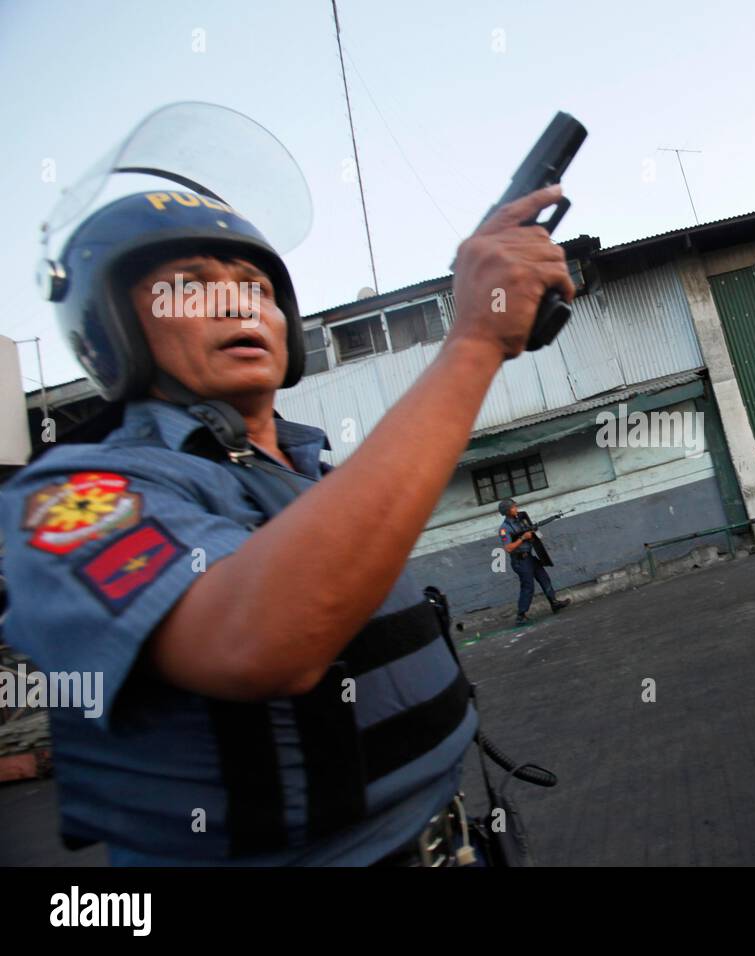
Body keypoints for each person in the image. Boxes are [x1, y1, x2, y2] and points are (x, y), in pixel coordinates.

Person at [1, 171, 574, 864]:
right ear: (112, 331)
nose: (237, 303)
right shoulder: (69, 499)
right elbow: (259, 638)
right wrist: (476, 340)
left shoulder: (311, 478)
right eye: (189, 284)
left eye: (258, 288)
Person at [497, 498, 570, 626]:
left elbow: (529, 531)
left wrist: (534, 532)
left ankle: (554, 602)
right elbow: (508, 548)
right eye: (513, 507)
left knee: (544, 578)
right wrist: (523, 538)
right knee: (528, 587)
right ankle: (521, 615)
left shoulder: (521, 520)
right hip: (520, 561)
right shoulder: (504, 528)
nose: (516, 509)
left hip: (530, 557)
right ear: (507, 511)